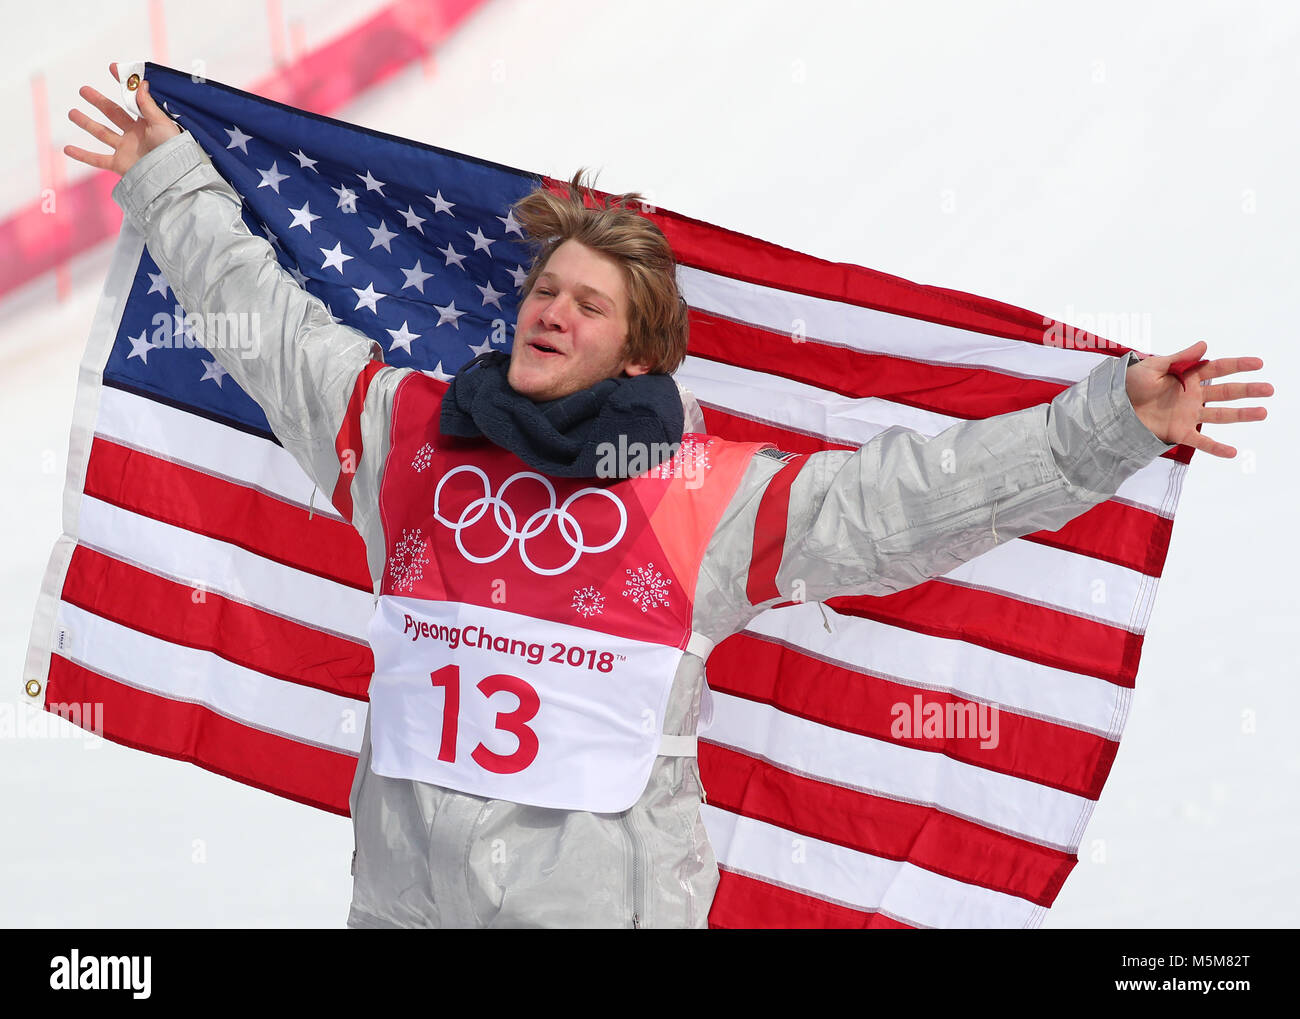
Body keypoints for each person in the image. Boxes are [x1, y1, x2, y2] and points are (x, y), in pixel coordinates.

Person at [66, 65, 1271, 928]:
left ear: (639, 357)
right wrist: (170, 178)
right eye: (546, 289)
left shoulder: (704, 499)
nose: (551, 310)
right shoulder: (411, 439)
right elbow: (276, 334)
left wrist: (1112, 420)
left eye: (588, 306)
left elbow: (919, 498)